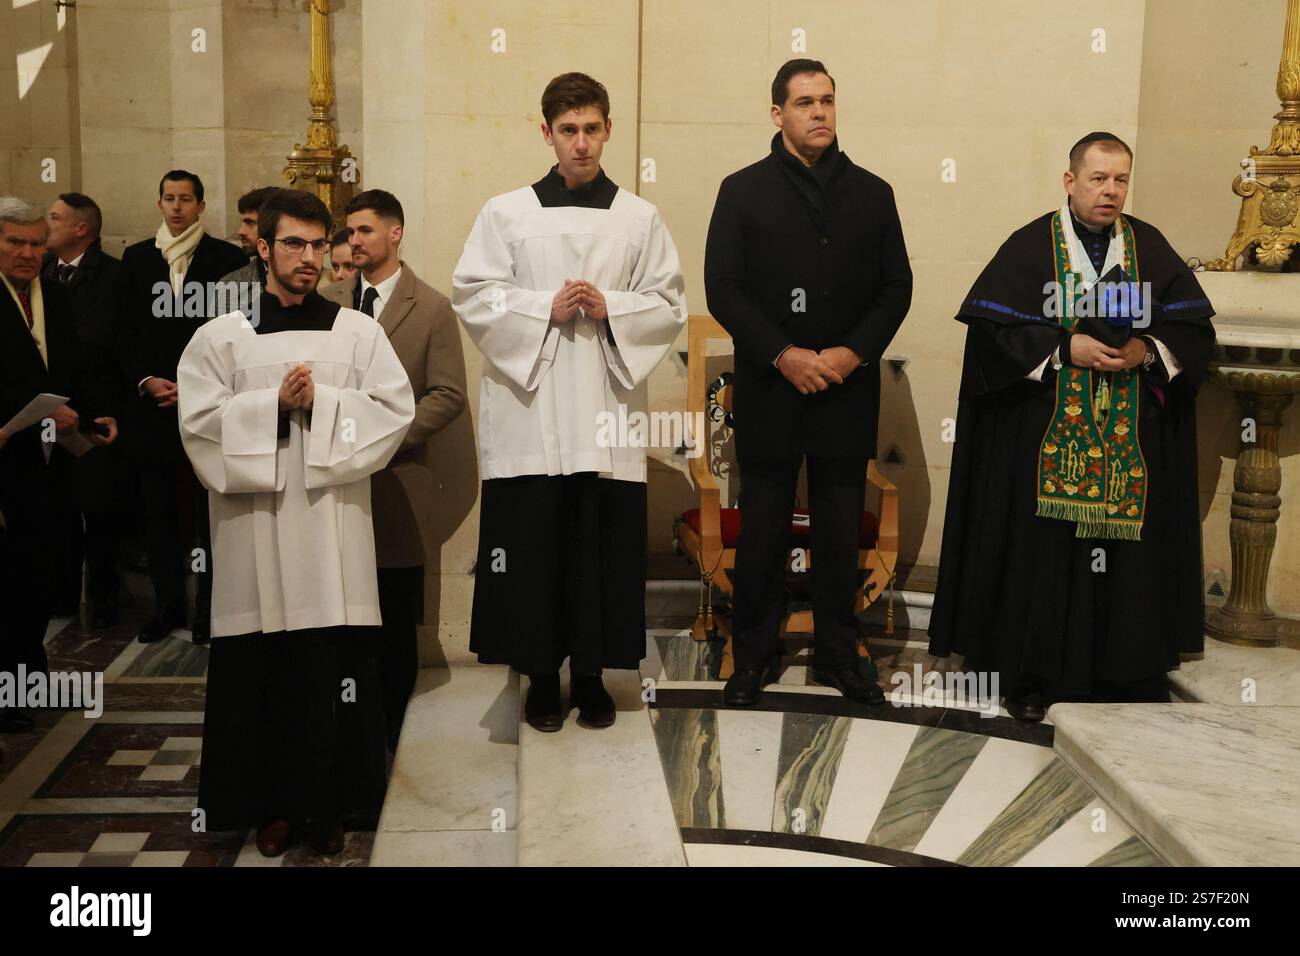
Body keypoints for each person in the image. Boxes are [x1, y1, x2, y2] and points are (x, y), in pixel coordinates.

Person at [927, 132, 1216, 722]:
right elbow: (990, 334)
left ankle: (1123, 673)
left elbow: (1194, 330)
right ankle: (1034, 674)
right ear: (1070, 182)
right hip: (1045, 443)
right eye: (1098, 179)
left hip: (1127, 445)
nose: (1110, 192)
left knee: (1122, 562)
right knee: (1044, 560)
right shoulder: (1032, 247)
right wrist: (1063, 349)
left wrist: (1145, 349)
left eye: (1120, 180)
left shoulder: (1147, 247)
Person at [179, 188, 414, 855]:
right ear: (262, 247)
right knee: (262, 677)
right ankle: (268, 807)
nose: (308, 258)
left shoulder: (357, 333)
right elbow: (196, 428)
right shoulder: (220, 338)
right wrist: (272, 408)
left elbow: (393, 414)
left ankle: (332, 808)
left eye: (317, 245)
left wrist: (328, 401)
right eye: (293, 244)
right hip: (252, 539)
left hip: (329, 534)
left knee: (329, 676)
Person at [453, 72, 686, 732]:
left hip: (604, 413)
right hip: (532, 417)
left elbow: (670, 303)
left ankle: (591, 676)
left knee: (595, 545)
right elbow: (473, 293)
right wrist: (538, 306)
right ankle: (540, 680)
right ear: (547, 133)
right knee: (534, 549)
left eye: (591, 129)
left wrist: (613, 307)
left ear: (608, 129)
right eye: (567, 130)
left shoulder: (639, 218)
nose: (581, 143)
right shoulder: (507, 213)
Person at [704, 59, 912, 707]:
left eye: (826, 101)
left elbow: (896, 287)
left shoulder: (873, 193)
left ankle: (836, 653)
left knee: (838, 524)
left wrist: (851, 354)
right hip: (772, 390)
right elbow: (724, 288)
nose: (818, 112)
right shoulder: (742, 191)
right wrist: (784, 354)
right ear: (777, 114)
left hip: (847, 392)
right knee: (764, 526)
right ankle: (754, 654)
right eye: (803, 103)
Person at [321, 189, 467, 750]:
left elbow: (448, 393)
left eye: (364, 231)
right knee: (340, 614)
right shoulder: (329, 298)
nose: (353, 241)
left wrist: (382, 438)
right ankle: (344, 729)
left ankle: (390, 734)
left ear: (395, 233)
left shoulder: (430, 306)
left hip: (397, 483)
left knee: (393, 613)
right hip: (333, 480)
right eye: (349, 232)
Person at [0, 197, 118, 733]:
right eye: (14, 243)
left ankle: (29, 672)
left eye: (34, 242)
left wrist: (94, 416)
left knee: (39, 573)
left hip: (51, 462)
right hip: (5, 461)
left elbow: (72, 367)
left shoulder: (55, 294)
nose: (28, 253)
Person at [116, 170, 246, 645]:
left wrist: (198, 386)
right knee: (159, 516)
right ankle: (167, 605)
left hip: (207, 407)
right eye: (168, 198)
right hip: (152, 409)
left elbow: (234, 332)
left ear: (200, 206)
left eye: (185, 199)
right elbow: (123, 332)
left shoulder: (226, 258)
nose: (176, 207)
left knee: (210, 514)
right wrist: (147, 380)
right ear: (159, 203)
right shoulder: (135, 260)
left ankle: (210, 612)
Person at [42, 193, 127, 629]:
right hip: (46, 413)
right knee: (55, 510)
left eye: (54, 217)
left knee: (100, 512)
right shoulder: (40, 274)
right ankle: (59, 595)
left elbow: (120, 347)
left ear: (82, 229)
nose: (46, 223)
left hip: (96, 414)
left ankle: (105, 598)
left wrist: (113, 412)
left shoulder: (114, 276)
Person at [219, 186, 282, 287]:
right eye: (244, 222)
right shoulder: (230, 285)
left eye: (250, 222)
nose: (240, 231)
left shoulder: (313, 278)